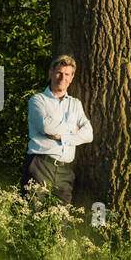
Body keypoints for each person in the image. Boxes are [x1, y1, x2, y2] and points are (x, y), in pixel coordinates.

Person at [20, 54, 93, 205]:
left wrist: (61, 136)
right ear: (51, 73)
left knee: (61, 221)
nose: (62, 77)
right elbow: (46, 127)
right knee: (31, 214)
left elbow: (88, 134)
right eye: (59, 73)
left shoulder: (75, 104)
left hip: (65, 170)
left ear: (71, 78)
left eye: (67, 74)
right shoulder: (38, 100)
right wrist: (73, 128)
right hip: (40, 164)